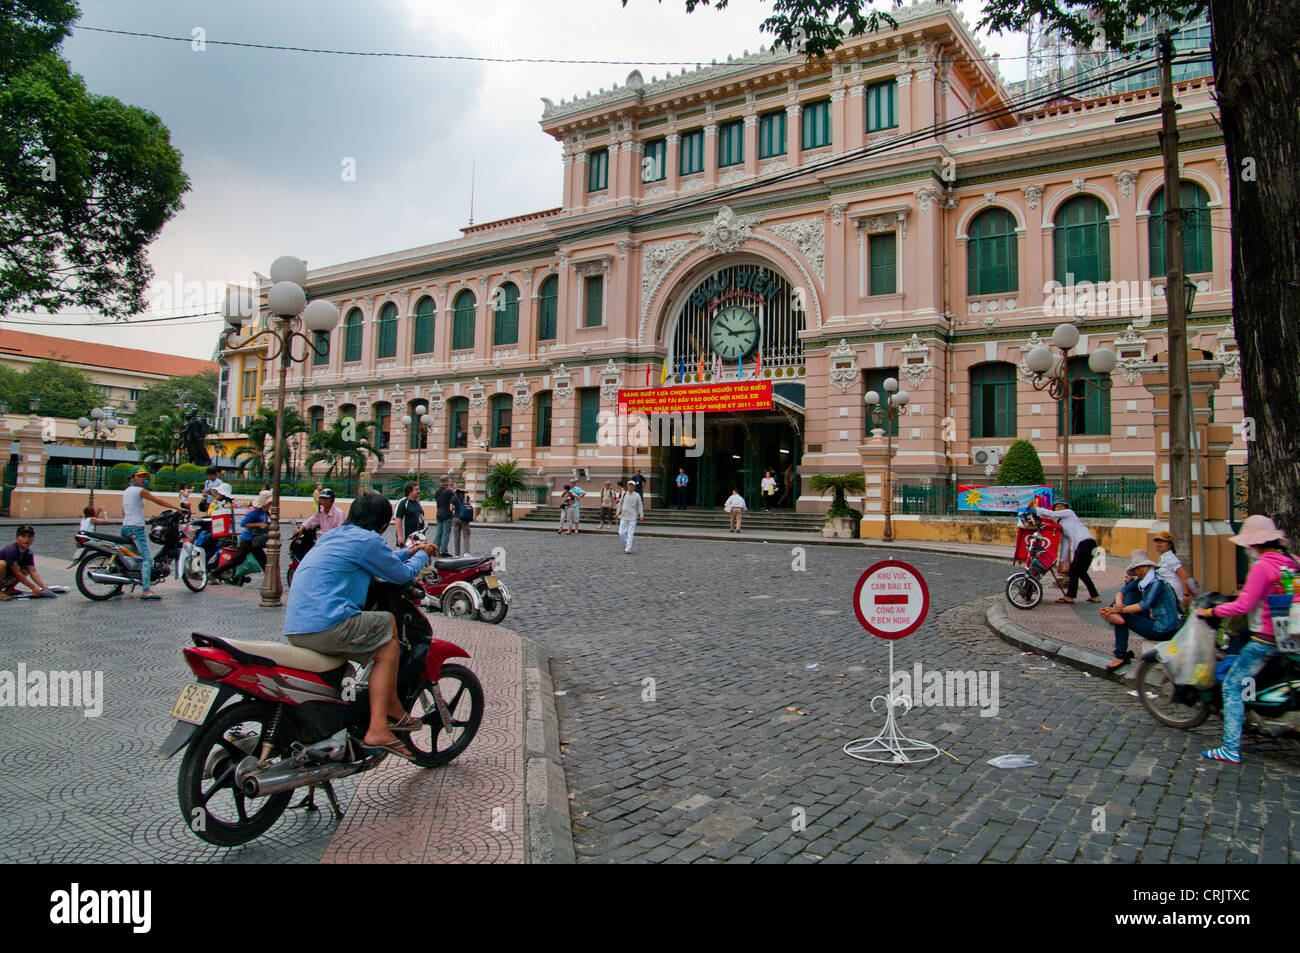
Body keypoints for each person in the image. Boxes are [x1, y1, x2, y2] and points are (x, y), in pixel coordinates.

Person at [284, 490, 437, 761]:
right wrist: (422, 555)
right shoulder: (367, 540)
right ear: (381, 524)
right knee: (387, 629)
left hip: (297, 626)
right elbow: (400, 573)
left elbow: (383, 559)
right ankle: (379, 724)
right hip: (329, 623)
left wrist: (409, 551)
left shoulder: (333, 536)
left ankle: (375, 713)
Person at [1194, 515, 1299, 764]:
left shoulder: (1262, 567)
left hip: (1265, 638)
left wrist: (1209, 612)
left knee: (1232, 685)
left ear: (1254, 544)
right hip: (1289, 636)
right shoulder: (1289, 562)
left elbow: (1243, 606)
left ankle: (1230, 747)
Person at [1100, 550, 1181, 672]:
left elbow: (1144, 605)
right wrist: (1119, 604)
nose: (1140, 570)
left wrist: (1118, 610)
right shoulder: (1143, 580)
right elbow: (1121, 591)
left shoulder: (1157, 582)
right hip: (1155, 621)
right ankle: (1118, 618)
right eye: (1137, 568)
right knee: (1130, 595)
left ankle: (1120, 654)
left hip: (1163, 629)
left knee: (1122, 618)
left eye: (1143, 566)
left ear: (1149, 566)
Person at [122, 465, 184, 600]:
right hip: (136, 528)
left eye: (144, 476)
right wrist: (177, 508)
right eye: (139, 476)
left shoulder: (127, 491)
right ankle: (146, 590)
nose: (143, 479)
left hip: (126, 526)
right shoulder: (140, 491)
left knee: (129, 556)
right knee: (147, 559)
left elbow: (126, 511)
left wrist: (147, 520)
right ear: (132, 477)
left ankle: (120, 585)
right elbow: (158, 501)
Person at [1034, 500, 1099, 604]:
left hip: (1086, 543)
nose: (1059, 508)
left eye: (1062, 506)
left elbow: (1051, 514)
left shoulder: (1069, 513)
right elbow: (1065, 542)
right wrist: (1062, 560)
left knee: (1073, 570)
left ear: (1066, 508)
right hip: (1089, 545)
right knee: (1081, 572)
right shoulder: (1061, 524)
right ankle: (1094, 596)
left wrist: (1035, 508)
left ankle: (1070, 596)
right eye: (1057, 507)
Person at [221, 488, 271, 579]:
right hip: (248, 540)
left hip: (253, 540)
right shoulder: (255, 512)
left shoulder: (263, 512)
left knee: (263, 561)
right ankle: (213, 574)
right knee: (237, 561)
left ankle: (270, 579)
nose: (270, 505)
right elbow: (243, 524)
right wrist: (259, 524)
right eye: (269, 503)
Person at [0, 526, 57, 599]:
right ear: (17, 538)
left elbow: (32, 571)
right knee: (1, 564)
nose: (26, 539)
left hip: (5, 577)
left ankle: (9, 589)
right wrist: (33, 587)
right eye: (23, 536)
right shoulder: (11, 550)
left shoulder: (28, 553)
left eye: (30, 537)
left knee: (25, 569)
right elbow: (17, 573)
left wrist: (44, 587)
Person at [1151, 530, 1198, 609]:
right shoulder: (1164, 557)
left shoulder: (1170, 558)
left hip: (1174, 596)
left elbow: (1184, 576)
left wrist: (1185, 595)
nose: (1158, 544)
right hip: (1168, 595)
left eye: (1162, 542)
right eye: (1157, 542)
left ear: (1169, 544)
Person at [616, 479, 644, 554]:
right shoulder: (624, 494)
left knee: (630, 533)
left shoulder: (637, 495)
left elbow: (640, 506)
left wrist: (641, 515)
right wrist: (617, 513)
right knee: (621, 532)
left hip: (633, 517)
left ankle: (628, 548)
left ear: (634, 486)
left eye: (632, 485)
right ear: (627, 486)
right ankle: (626, 544)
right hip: (624, 516)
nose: (631, 486)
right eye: (629, 485)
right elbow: (620, 504)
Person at [394, 482, 425, 546]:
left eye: (419, 489)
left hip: (418, 539)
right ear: (409, 491)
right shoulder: (403, 503)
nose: (419, 491)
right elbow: (398, 520)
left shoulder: (417, 503)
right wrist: (400, 536)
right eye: (416, 489)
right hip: (407, 539)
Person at [433, 477, 456, 555]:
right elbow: (454, 500)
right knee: (446, 533)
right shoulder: (448, 492)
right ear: (448, 483)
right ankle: (443, 550)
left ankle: (435, 549)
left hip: (438, 513)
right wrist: (453, 489)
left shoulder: (437, 491)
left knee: (438, 532)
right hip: (447, 514)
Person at [451, 490, 473, 556]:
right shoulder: (466, 497)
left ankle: (457, 554)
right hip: (464, 518)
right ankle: (466, 552)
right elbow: (469, 505)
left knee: (456, 537)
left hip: (455, 518)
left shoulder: (453, 498)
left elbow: (451, 509)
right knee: (466, 536)